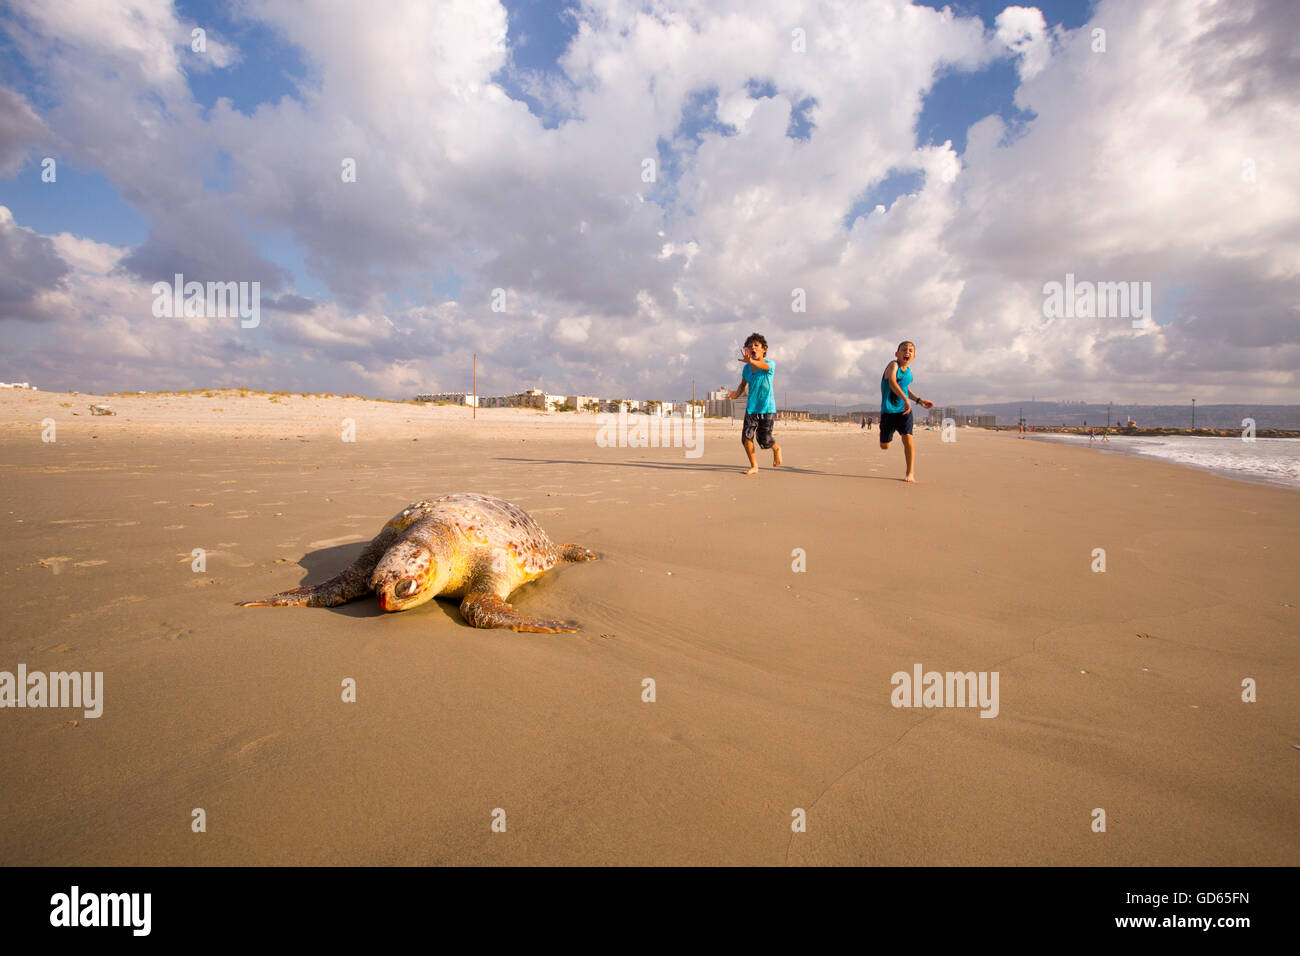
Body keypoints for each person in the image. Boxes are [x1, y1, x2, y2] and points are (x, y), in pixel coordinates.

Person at [879, 340, 934, 482]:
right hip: (888, 411)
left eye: (910, 350)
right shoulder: (893, 365)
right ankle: (889, 434)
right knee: (884, 446)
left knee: (908, 439)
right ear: (897, 353)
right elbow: (892, 382)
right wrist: (905, 400)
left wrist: (919, 401)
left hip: (904, 411)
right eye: (904, 349)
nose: (907, 352)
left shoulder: (908, 372)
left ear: (914, 356)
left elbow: (905, 389)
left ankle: (910, 473)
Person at [728, 332, 782, 476]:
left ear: (764, 349)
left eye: (756, 345)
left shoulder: (769, 364)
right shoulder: (746, 369)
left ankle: (776, 449)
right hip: (751, 409)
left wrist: (751, 362)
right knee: (746, 437)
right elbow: (743, 385)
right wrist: (735, 394)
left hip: (767, 408)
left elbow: (764, 367)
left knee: (764, 440)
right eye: (750, 346)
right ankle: (754, 466)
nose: (753, 348)